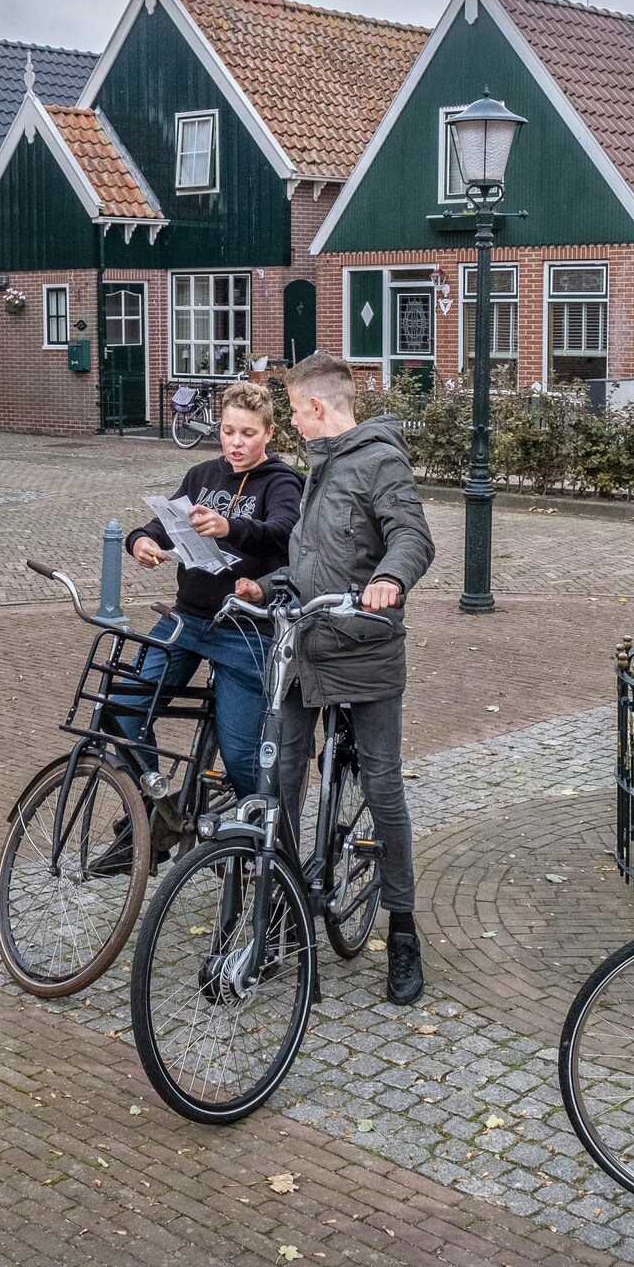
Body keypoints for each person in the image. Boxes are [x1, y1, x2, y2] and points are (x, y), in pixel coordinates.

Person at [237, 352, 435, 1006]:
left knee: (382, 785)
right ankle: (281, 913)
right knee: (280, 782)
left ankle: (402, 930)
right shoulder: (317, 470)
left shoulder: (380, 462)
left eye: (294, 411)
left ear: (317, 407)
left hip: (364, 649)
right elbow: (311, 562)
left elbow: (412, 537)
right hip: (303, 649)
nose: (292, 423)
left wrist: (389, 578)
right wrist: (263, 584)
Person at [115, 379, 303, 801]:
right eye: (228, 431)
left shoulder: (282, 482)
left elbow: (284, 531)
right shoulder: (201, 475)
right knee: (124, 712)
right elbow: (163, 523)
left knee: (240, 755)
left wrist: (229, 527)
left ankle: (261, 829)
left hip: (245, 631)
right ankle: (153, 812)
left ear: (269, 433)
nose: (236, 443)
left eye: (248, 433)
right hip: (187, 619)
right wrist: (140, 541)